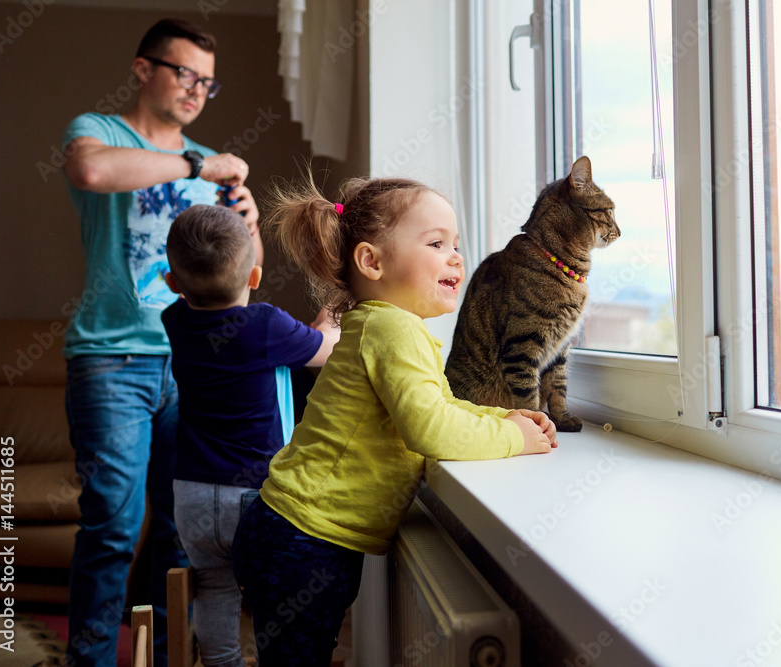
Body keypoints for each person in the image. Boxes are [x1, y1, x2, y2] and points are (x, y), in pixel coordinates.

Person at [230, 174, 558, 665]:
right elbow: (431, 429)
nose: (455, 257)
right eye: (436, 243)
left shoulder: (390, 325)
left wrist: (504, 414)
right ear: (372, 261)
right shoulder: (391, 328)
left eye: (456, 244)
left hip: (303, 535)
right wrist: (512, 437)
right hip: (301, 538)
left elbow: (441, 406)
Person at [60, 19, 261, 667]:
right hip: (110, 358)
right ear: (144, 69)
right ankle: (88, 660)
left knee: (184, 534)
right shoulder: (101, 132)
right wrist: (199, 165)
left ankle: (175, 659)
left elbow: (242, 276)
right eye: (185, 74)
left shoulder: (210, 166)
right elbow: (91, 170)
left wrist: (249, 225)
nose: (198, 90)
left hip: (192, 363)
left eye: (208, 80)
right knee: (113, 528)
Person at [160, 204, 338, 667]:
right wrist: (331, 319)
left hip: (191, 492)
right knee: (269, 590)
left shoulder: (173, 322)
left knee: (214, 586)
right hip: (255, 494)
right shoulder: (266, 325)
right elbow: (325, 351)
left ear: (173, 283)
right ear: (254, 276)